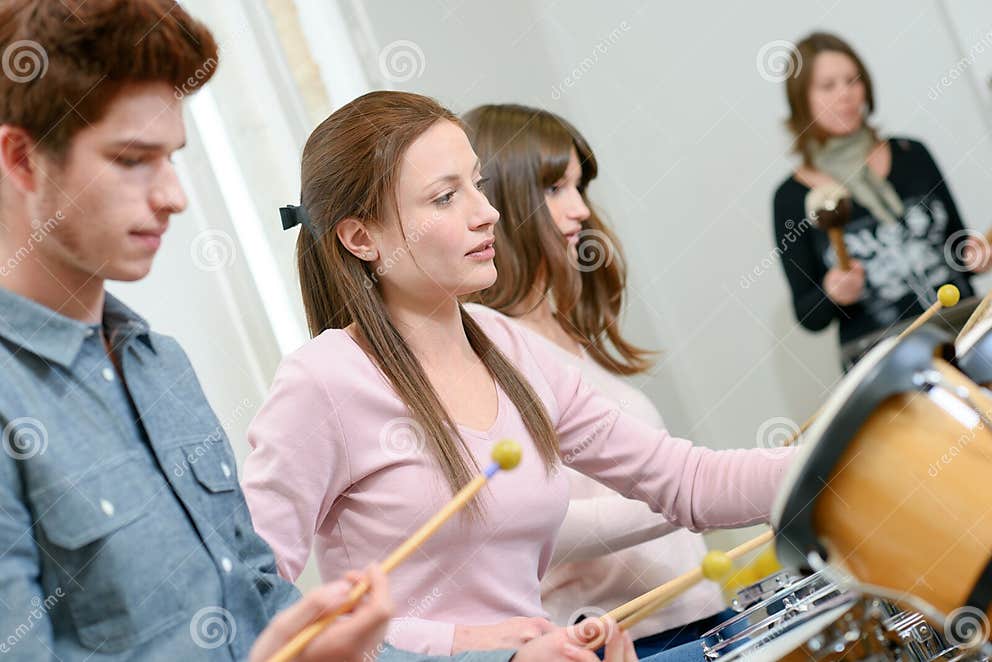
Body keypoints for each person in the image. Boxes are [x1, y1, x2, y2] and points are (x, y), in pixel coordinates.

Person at [0, 2, 632, 660]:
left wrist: (497, 659)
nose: (173, 195)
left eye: (173, 158)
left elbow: (261, 609)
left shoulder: (163, 370)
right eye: (132, 159)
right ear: (22, 159)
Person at [242, 90, 793, 660]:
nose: (487, 213)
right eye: (445, 197)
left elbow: (685, 481)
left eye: (476, 184)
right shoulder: (323, 381)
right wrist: (474, 648)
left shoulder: (508, 347)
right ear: (362, 238)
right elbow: (256, 608)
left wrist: (836, 459)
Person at [461, 103, 740, 658]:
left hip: (699, 617)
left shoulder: (567, 334)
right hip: (630, 641)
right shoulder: (492, 352)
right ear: (505, 200)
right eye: (557, 188)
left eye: (579, 185)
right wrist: (684, 495)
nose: (581, 209)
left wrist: (694, 489)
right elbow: (532, 526)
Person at [773, 31, 992, 353]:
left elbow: (956, 244)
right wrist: (833, 293)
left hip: (966, 332)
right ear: (801, 100)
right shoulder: (790, 198)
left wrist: (976, 256)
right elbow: (808, 316)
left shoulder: (911, 154)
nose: (845, 94)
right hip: (882, 357)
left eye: (852, 80)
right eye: (828, 86)